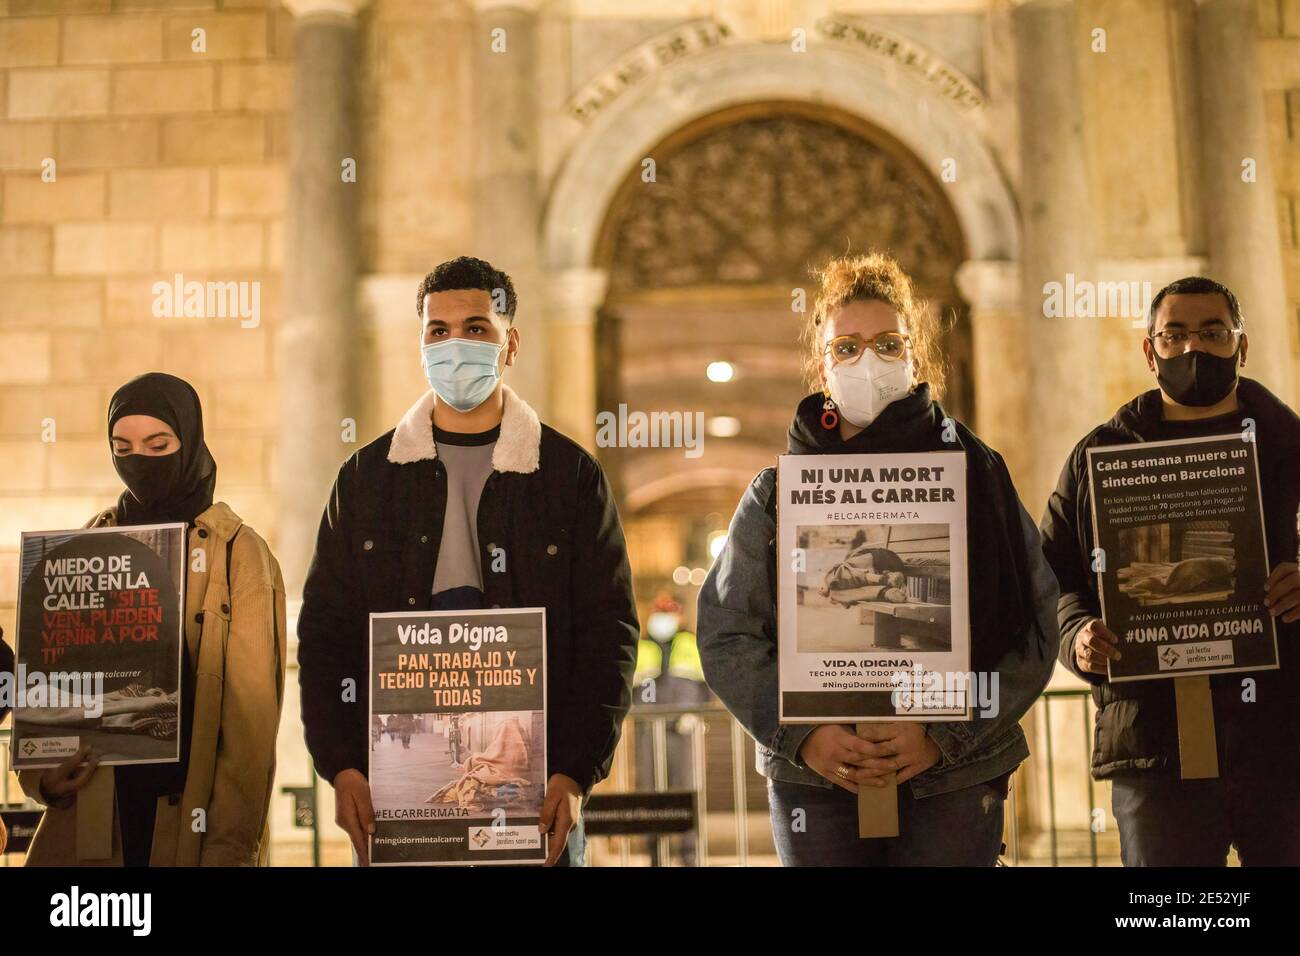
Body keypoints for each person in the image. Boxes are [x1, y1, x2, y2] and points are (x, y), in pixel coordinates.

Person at [696, 252, 1060, 866]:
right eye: (848, 347)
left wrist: (947, 736)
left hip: (953, 777)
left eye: (888, 343)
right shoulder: (777, 493)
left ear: (916, 356)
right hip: (817, 781)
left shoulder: (978, 475)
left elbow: (1036, 623)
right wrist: (803, 738)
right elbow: (727, 631)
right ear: (821, 363)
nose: (868, 361)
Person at [297, 256, 639, 866]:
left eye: (477, 327)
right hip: (397, 801)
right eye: (439, 330)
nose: (455, 344)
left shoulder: (569, 476)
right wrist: (342, 765)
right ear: (421, 344)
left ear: (511, 343)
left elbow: (607, 632)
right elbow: (326, 634)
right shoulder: (365, 480)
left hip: (538, 795)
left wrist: (575, 771)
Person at [1040, 276, 1300, 866]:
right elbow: (1054, 579)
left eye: (1212, 333)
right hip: (1153, 744)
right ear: (1149, 349)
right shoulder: (1098, 458)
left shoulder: (1290, 448)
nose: (1193, 350)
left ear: (1242, 345)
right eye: (1174, 334)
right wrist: (1076, 635)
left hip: (1284, 736)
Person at [17, 372, 287, 867]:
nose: (138, 460)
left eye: (158, 444)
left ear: (188, 442)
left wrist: (228, 847)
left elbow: (250, 727)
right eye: (122, 446)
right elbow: (54, 687)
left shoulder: (237, 553)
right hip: (99, 814)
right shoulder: (88, 543)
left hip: (189, 813)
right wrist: (43, 779)